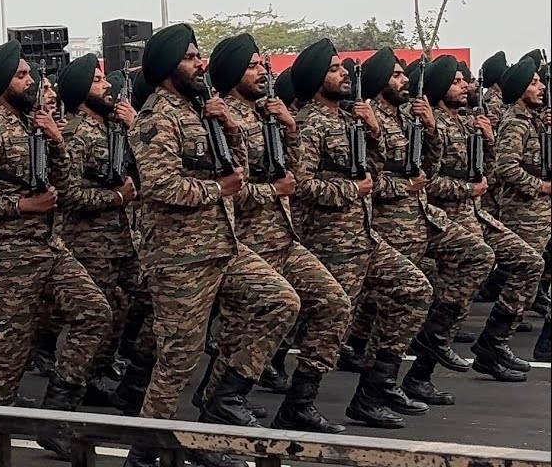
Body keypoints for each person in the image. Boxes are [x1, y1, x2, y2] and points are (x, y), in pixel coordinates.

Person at [122, 25, 299, 467]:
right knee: (176, 364)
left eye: (199, 57)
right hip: (180, 259)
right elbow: (161, 186)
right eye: (189, 58)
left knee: (281, 301)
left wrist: (229, 127)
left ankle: (222, 400)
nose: (200, 64)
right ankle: (143, 456)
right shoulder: (156, 117)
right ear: (167, 69)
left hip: (224, 245)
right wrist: (215, 191)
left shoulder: (200, 110)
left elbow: (236, 175)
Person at [0, 41, 111, 466]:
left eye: (30, 75)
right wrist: (24, 206)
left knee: (95, 312)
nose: (31, 82)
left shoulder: (35, 126)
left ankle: (56, 416)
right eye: (22, 76)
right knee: (10, 350)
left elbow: (63, 185)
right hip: (7, 255)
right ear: (2, 83)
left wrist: (58, 143)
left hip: (48, 246)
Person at [201, 34, 350, 434]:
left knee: (334, 304)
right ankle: (220, 405)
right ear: (233, 72)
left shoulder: (268, 114)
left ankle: (299, 403)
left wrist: (291, 130)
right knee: (238, 333)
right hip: (245, 242)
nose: (263, 72)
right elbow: (230, 190)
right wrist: (273, 190)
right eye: (252, 66)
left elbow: (294, 178)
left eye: (262, 65)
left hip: (283, 239)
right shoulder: (219, 120)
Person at [290, 40, 432, 429]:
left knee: (414, 291)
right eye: (335, 69)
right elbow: (300, 185)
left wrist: (372, 133)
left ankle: (374, 391)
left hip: (364, 236)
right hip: (331, 241)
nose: (344, 75)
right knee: (332, 321)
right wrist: (352, 191)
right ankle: (299, 403)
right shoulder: (308, 124)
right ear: (318, 78)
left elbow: (373, 170)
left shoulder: (349, 120)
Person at [357, 49, 494, 407]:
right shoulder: (367, 120)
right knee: (387, 306)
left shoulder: (409, 118)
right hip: (389, 226)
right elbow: (371, 179)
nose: (404, 82)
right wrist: (406, 184)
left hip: (422, 219)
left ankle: (432, 343)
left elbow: (423, 170)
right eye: (396, 75)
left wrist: (431, 132)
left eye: (404, 75)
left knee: (478, 256)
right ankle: (376, 386)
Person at [424, 55, 543, 381]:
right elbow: (427, 181)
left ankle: (492, 343)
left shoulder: (464, 121)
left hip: (474, 216)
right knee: (455, 292)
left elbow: (487, 174)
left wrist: (488, 144)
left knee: (529, 263)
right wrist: (468, 188)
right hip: (445, 219)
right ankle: (417, 373)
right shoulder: (431, 125)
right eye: (457, 81)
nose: (466, 86)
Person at [52, 54, 140, 412]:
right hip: (88, 243)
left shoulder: (112, 129)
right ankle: (71, 387)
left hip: (119, 238)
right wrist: (116, 197)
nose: (107, 86)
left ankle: (96, 373)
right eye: (98, 80)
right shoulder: (76, 135)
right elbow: (68, 195)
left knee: (124, 306)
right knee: (96, 312)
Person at [488, 57, 551, 360]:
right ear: (520, 88)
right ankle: (495, 342)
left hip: (541, 211)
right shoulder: (515, 123)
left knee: (532, 276)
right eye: (535, 82)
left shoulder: (532, 120)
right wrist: (542, 186)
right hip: (525, 213)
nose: (541, 87)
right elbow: (506, 168)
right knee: (523, 276)